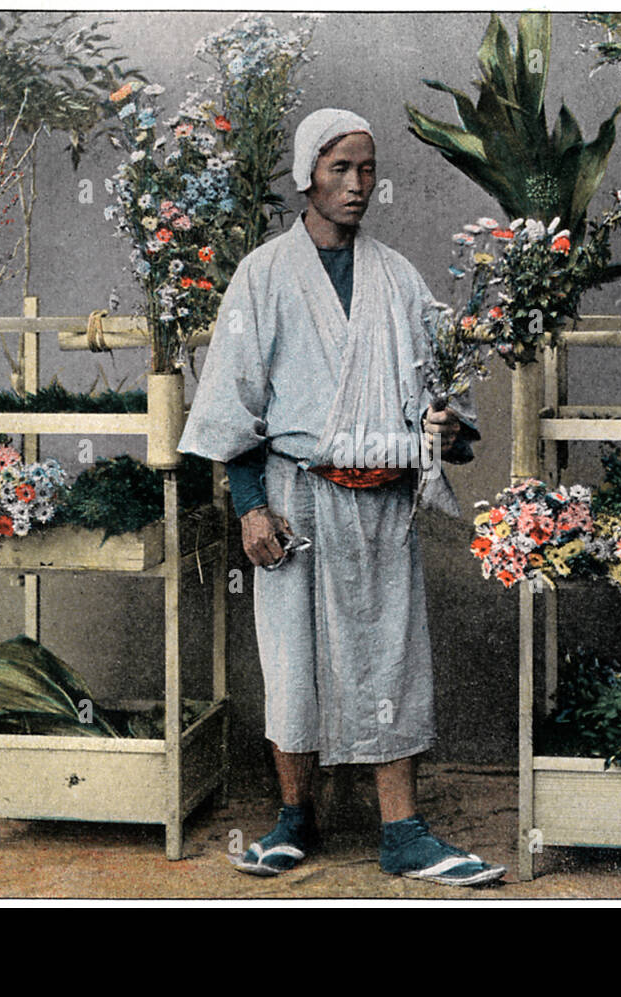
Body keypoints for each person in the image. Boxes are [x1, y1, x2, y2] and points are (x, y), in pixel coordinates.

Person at [177, 107, 505, 887]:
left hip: (382, 500)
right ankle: (296, 818)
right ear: (307, 176)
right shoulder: (263, 275)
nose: (358, 185)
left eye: (366, 169)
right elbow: (231, 404)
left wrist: (449, 427)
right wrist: (250, 504)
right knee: (292, 662)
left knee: (390, 655)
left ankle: (405, 832)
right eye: (340, 170)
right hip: (294, 497)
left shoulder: (398, 278)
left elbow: (447, 408)